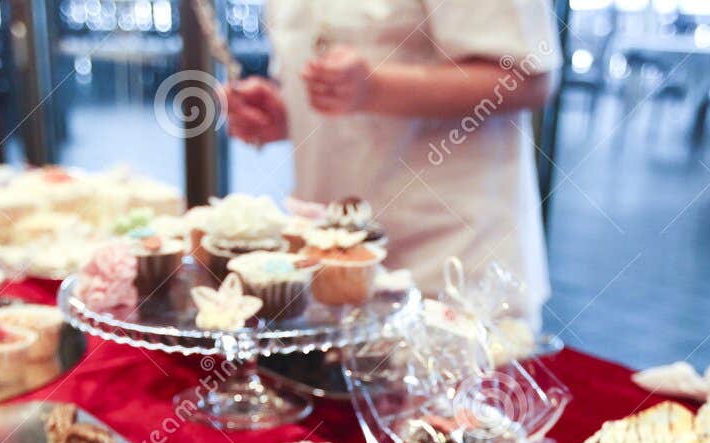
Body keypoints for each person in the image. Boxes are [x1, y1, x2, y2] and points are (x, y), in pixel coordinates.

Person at [225, 0, 559, 324]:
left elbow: (529, 77)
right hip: (333, 275)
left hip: (448, 269)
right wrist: (288, 115)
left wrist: (374, 89)